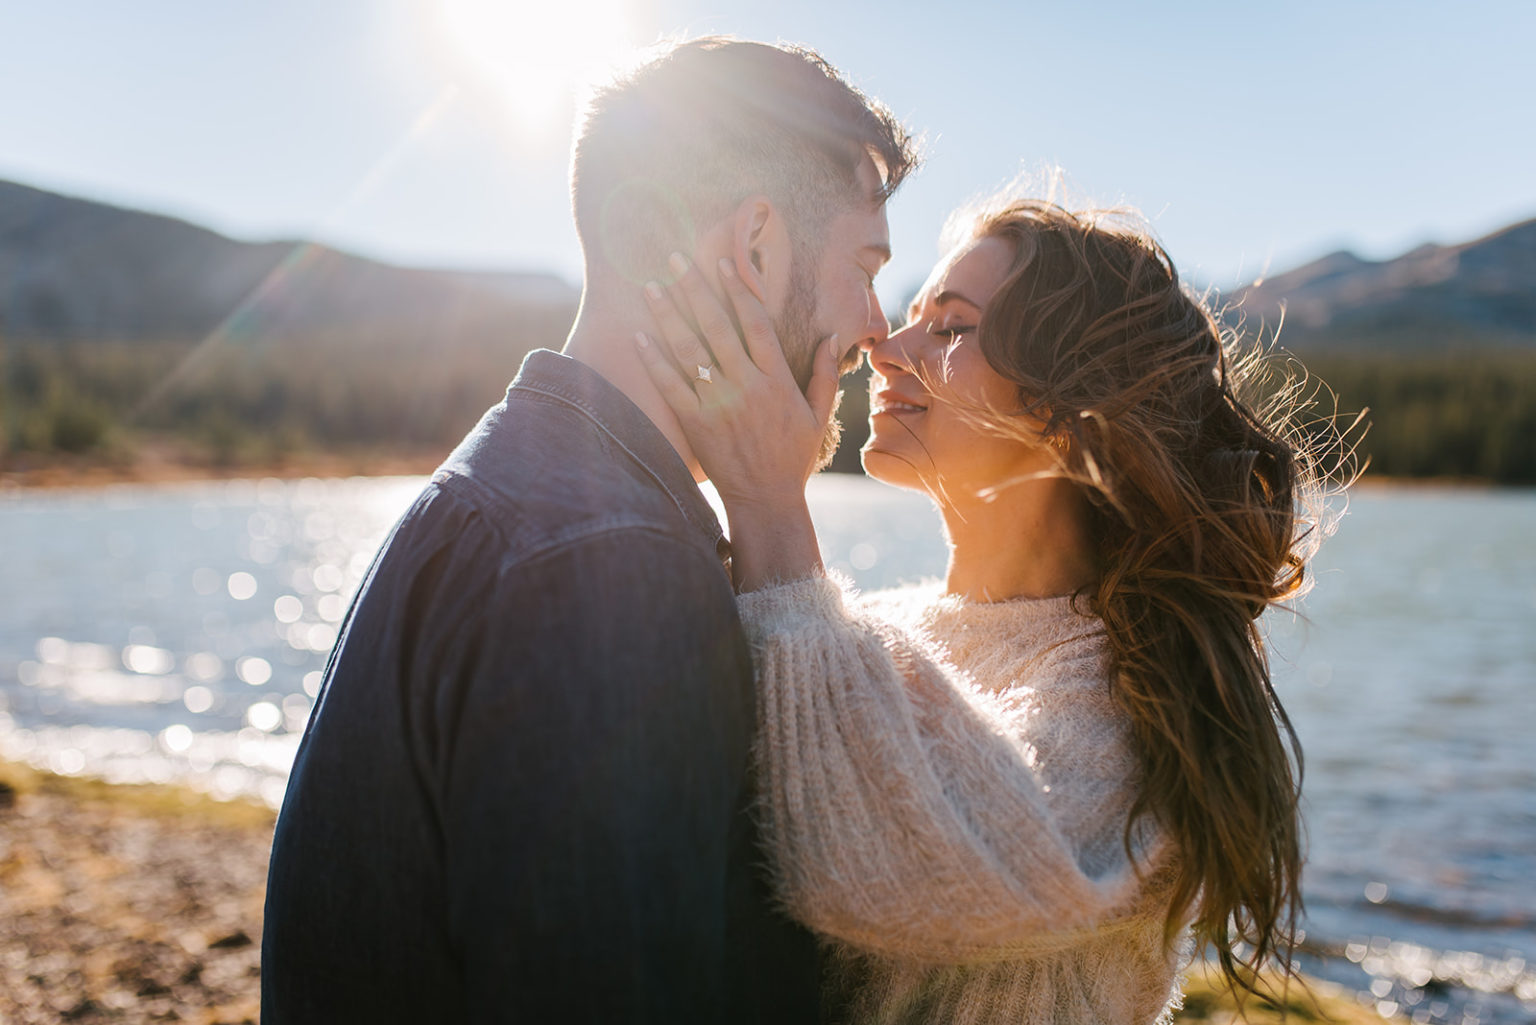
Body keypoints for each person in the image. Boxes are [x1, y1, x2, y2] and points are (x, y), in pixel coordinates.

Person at [261, 37, 916, 1023]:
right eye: (865, 266)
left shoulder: (521, 485)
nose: (876, 326)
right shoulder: (610, 567)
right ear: (752, 250)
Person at [634, 197, 1334, 1023]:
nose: (884, 348)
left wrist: (770, 504)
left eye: (952, 328)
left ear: (1070, 408)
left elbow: (890, 864)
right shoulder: (875, 627)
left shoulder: (1133, 695)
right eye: (912, 319)